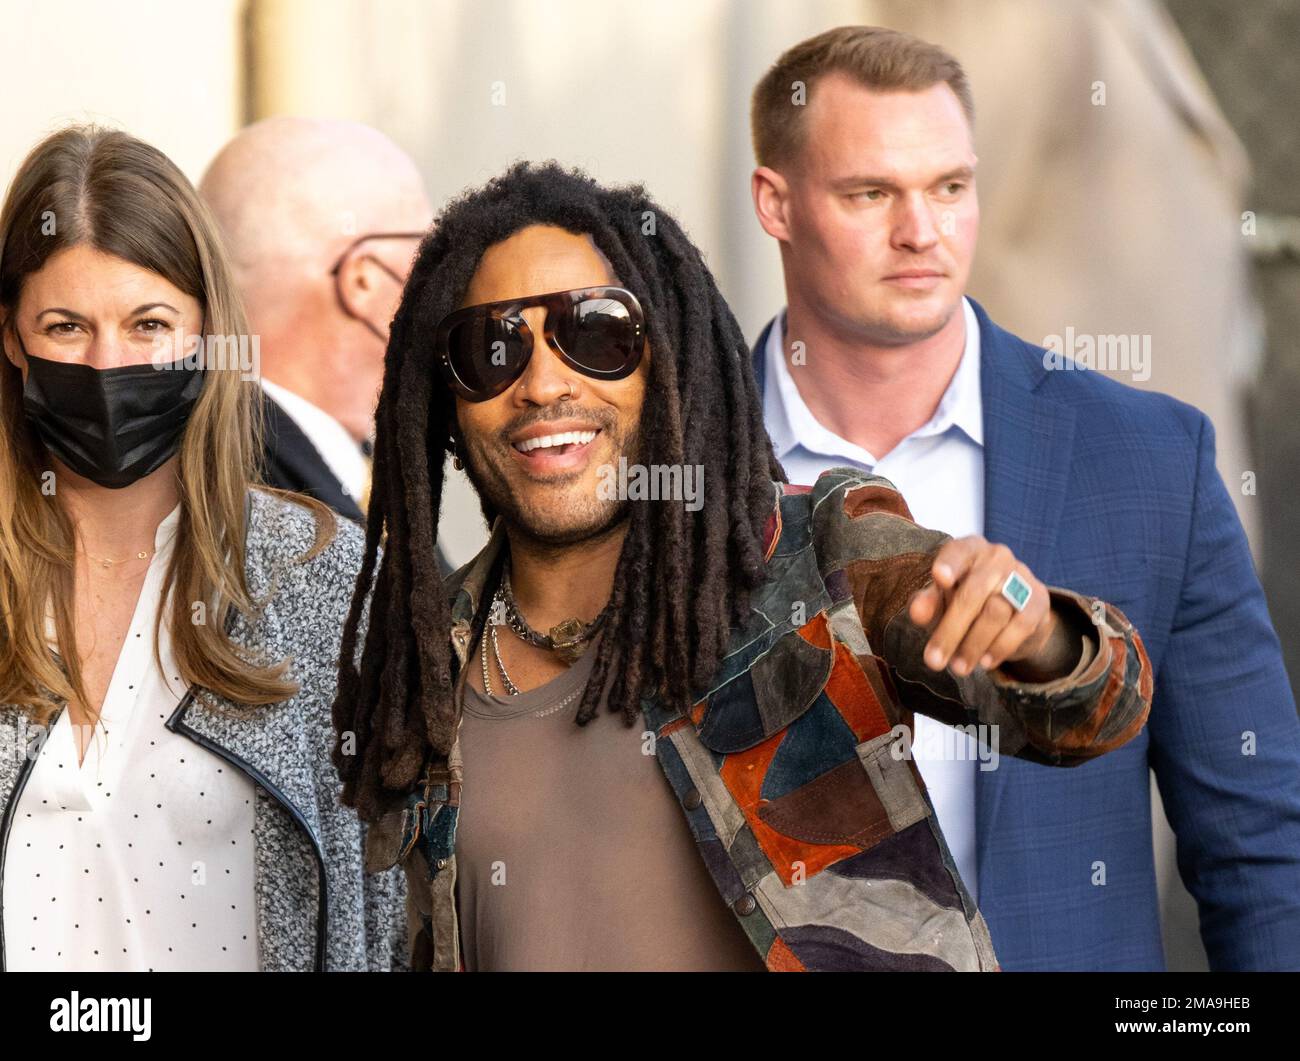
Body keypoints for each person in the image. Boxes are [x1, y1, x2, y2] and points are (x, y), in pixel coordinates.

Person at [332, 160, 1152, 972]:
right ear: (445, 401)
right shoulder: (418, 670)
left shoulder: (810, 560)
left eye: (596, 333)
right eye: (491, 347)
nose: (544, 383)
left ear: (670, 363)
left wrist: (1035, 628)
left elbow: (1095, 707)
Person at [747, 25, 1300, 970]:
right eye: (871, 192)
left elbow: (1258, 848)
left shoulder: (1150, 460)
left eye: (950, 189)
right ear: (777, 203)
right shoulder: (671, 469)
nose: (921, 231)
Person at [0, 125, 406, 972]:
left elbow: (382, 910)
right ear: (12, 338)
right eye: (67, 326)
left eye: (149, 323)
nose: (110, 364)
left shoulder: (319, 579)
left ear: (210, 331)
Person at [199, 116, 431, 527]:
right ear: (363, 280)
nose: (443, 277)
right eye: (427, 251)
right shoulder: (249, 501)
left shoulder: (360, 474)